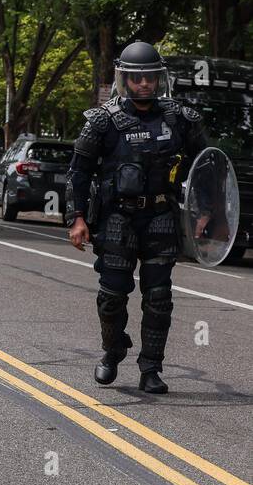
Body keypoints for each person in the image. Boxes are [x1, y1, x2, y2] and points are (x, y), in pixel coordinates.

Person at [66, 42, 208, 394]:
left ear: (159, 79)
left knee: (158, 296)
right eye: (137, 78)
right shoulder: (102, 121)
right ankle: (112, 351)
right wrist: (77, 218)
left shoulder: (181, 120)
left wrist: (205, 211)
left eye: (150, 77)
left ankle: (151, 369)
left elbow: (206, 166)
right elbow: (79, 173)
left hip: (161, 214)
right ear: (124, 79)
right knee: (112, 296)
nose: (144, 84)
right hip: (117, 218)